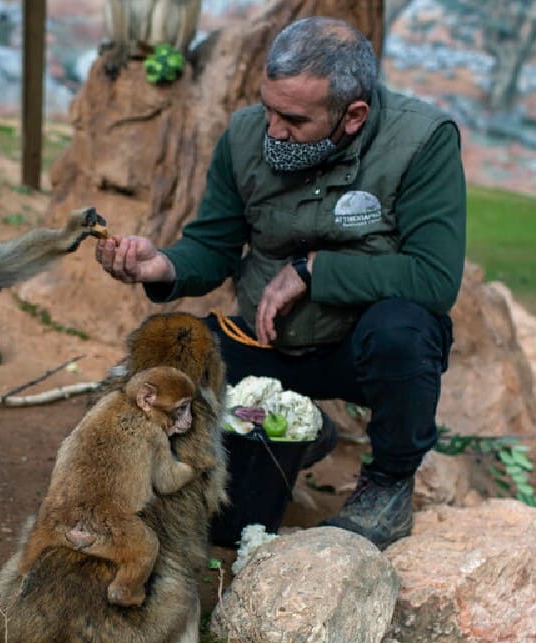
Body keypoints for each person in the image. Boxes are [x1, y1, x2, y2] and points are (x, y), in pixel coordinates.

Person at [94, 16, 465, 550]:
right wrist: (164, 266)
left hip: (362, 351)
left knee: (404, 330)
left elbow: (434, 277)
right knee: (170, 352)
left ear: (353, 116)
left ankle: (388, 484)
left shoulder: (421, 140)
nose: (273, 129)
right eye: (268, 108)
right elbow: (214, 246)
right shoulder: (246, 134)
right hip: (267, 341)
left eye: (293, 119)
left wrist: (315, 272)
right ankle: (299, 430)